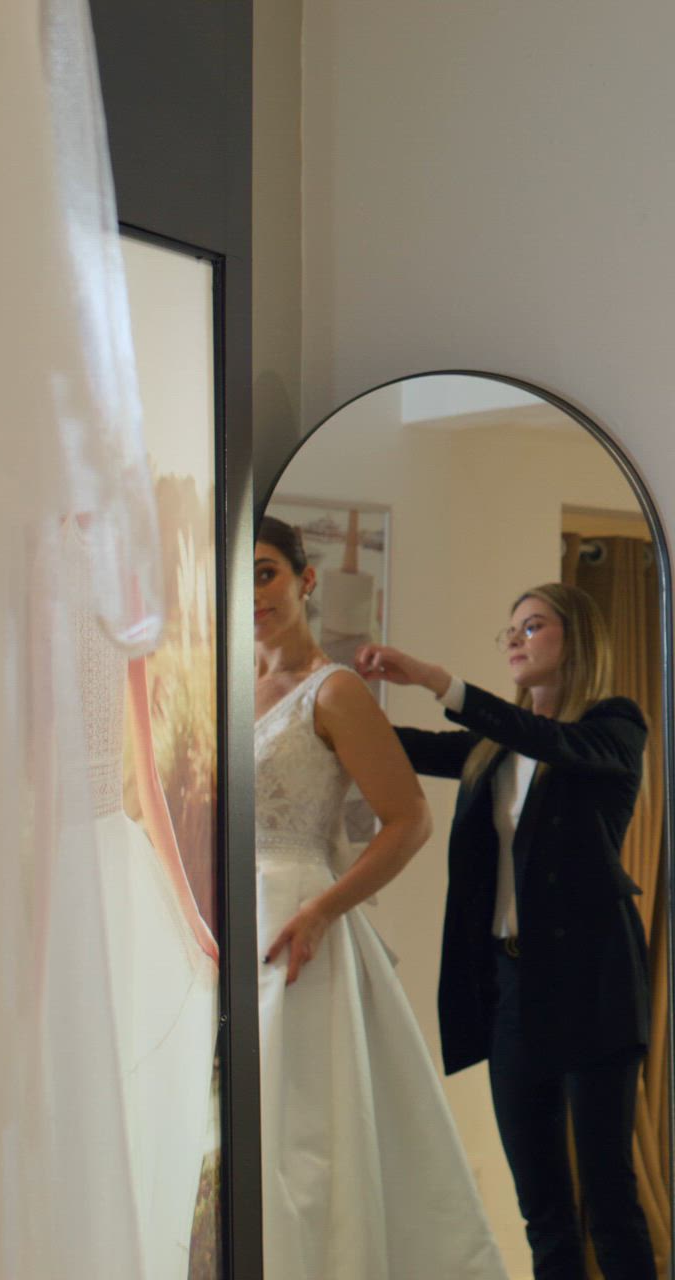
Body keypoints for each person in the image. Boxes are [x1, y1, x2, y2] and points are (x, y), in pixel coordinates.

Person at [356, 583, 656, 1280]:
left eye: (533, 626)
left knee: (609, 1201)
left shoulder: (614, 727)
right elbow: (407, 749)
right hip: (514, 989)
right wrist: (317, 707)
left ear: (575, 640)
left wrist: (438, 680)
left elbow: (549, 740)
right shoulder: (493, 752)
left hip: (597, 988)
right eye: (511, 630)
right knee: (542, 1207)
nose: (516, 639)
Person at [254, 515, 509, 1280]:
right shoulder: (219, 686)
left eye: (265, 572)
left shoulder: (333, 692)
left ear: (305, 579)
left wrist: (325, 909)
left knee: (301, 1139)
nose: (251, 594)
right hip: (226, 921)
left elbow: (410, 819)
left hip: (300, 915)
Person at [65, 512, 219, 1280]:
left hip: (100, 849)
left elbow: (143, 762)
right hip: (32, 850)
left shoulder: (111, 554)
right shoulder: (4, 546)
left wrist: (186, 905)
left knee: (105, 1086)